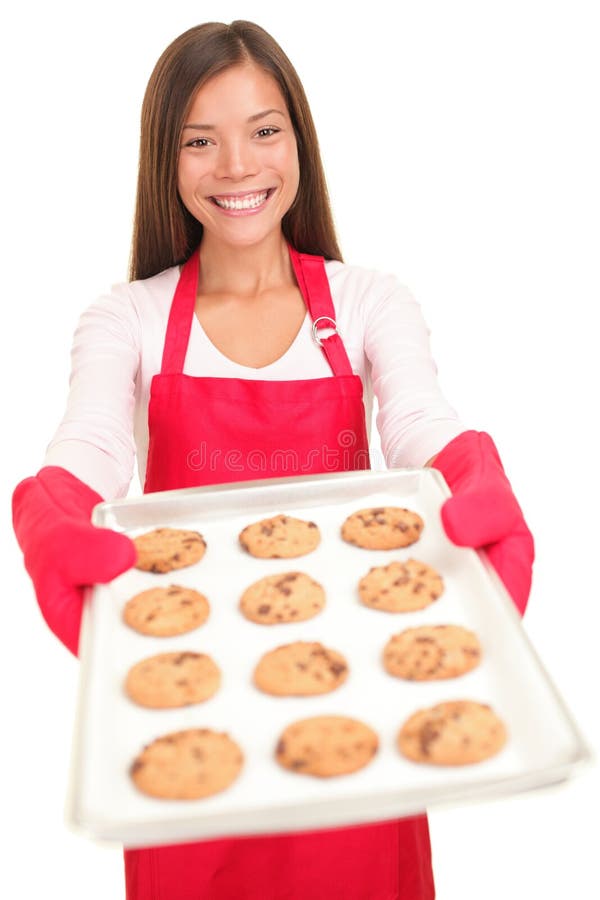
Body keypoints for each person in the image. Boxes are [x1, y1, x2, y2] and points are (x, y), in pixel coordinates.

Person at [11, 19, 534, 900]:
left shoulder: (367, 301)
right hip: (194, 727)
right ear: (164, 160)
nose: (238, 167)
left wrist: (471, 470)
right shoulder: (130, 318)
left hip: (353, 705)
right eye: (199, 141)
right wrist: (48, 508)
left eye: (264, 130)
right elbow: (93, 441)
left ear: (299, 139)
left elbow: (415, 418)